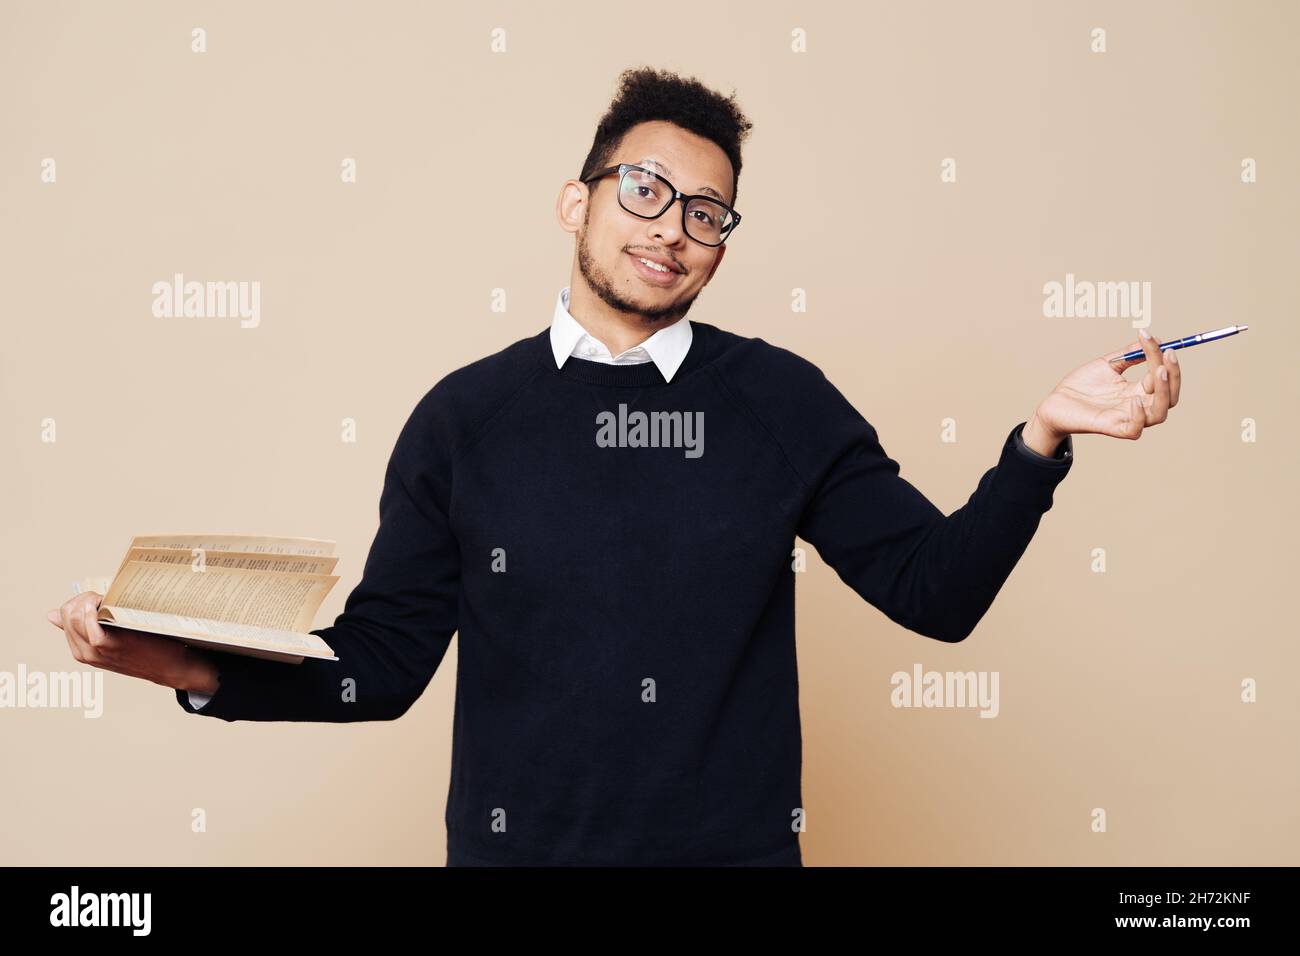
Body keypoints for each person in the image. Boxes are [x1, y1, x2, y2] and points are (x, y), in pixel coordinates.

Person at [48, 66, 1181, 866]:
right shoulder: (463, 416)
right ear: (575, 200)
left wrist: (1041, 439)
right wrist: (173, 665)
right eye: (643, 189)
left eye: (706, 210)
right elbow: (380, 666)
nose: (670, 226)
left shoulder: (777, 399)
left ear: (722, 240)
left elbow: (935, 595)